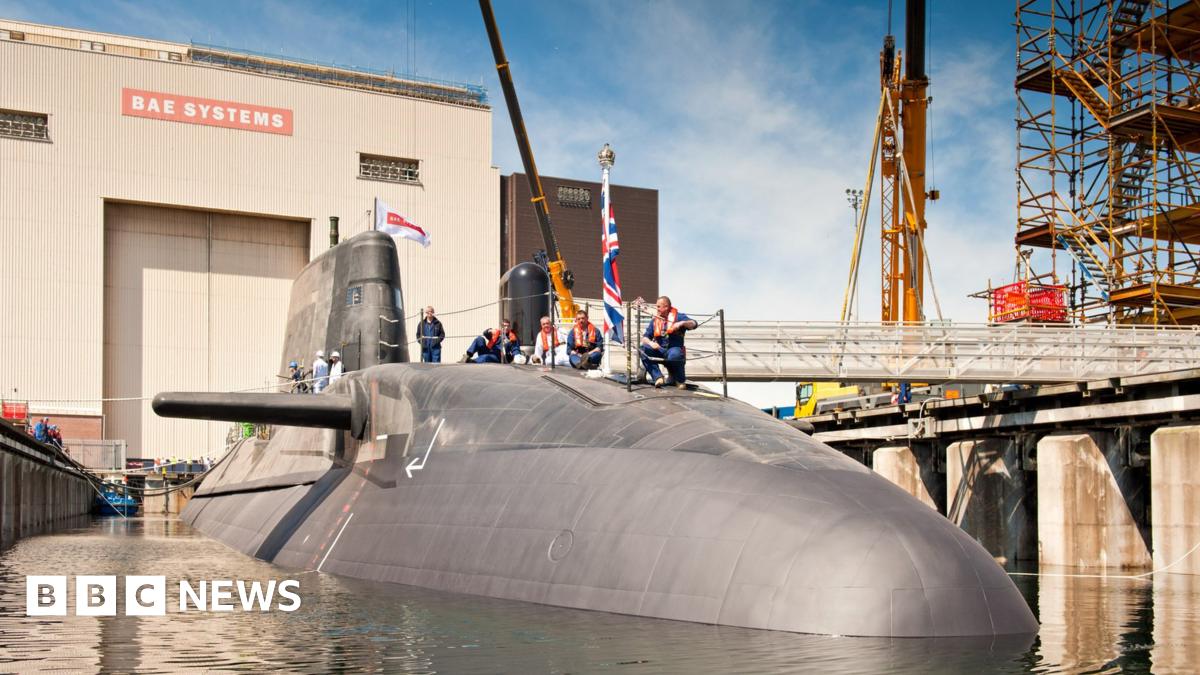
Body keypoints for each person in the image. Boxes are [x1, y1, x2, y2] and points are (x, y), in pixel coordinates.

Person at [640, 295, 698, 389]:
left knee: (675, 355)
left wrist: (682, 323)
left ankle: (679, 380)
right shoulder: (655, 320)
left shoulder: (679, 317)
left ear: (666, 307)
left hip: (673, 349)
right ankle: (658, 377)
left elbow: (694, 324)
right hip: (659, 350)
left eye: (658, 306)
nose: (657, 309)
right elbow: (645, 338)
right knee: (642, 349)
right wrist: (651, 343)